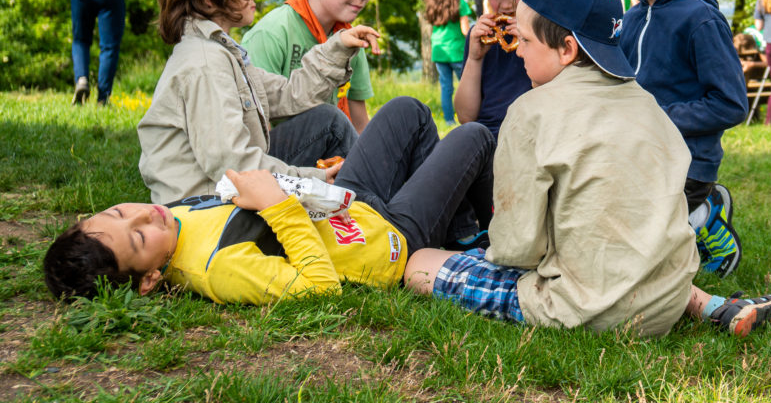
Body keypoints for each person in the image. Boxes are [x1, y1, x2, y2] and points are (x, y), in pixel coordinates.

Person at [401, 0, 771, 337]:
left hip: (581, 309)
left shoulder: (529, 111)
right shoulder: (649, 104)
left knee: (420, 264)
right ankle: (707, 306)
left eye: (526, 41)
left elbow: (517, 249)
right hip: (665, 302)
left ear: (567, 49)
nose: (518, 52)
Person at [43, 98, 495, 305]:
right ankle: (471, 249)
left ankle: (455, 236)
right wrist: (279, 206)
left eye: (120, 212)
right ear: (149, 281)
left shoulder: (171, 218)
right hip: (386, 242)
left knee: (407, 112)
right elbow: (320, 289)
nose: (145, 213)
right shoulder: (219, 269)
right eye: (139, 236)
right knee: (473, 136)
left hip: (346, 202)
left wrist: (310, 184)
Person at [137, 0, 378, 204]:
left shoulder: (222, 53)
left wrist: (338, 47)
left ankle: (369, 207)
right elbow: (232, 163)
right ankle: (376, 215)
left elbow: (289, 95)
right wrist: (313, 180)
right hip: (209, 206)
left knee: (327, 120)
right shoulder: (205, 64)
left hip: (225, 193)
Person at [598, 0, 748, 277]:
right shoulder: (631, 20)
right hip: (636, 160)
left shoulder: (699, 18)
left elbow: (730, 104)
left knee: (640, 269)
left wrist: (657, 117)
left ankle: (703, 215)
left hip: (687, 165)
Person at [244, 0, 378, 133]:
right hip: (280, 156)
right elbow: (257, 125)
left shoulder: (349, 37)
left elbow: (359, 120)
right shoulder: (271, 33)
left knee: (409, 111)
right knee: (328, 116)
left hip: (335, 144)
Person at [454, 0, 543, 137]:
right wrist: (475, 59)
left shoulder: (550, 34)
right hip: (483, 137)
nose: (504, 5)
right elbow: (465, 117)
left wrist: (530, 45)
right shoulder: (481, 37)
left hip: (527, 136)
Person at [424, 0, 472, 126]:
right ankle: (468, 118)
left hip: (438, 51)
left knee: (446, 88)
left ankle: (449, 120)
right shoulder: (460, 3)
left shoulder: (431, 4)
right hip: (457, 51)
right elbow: (466, 30)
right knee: (466, 86)